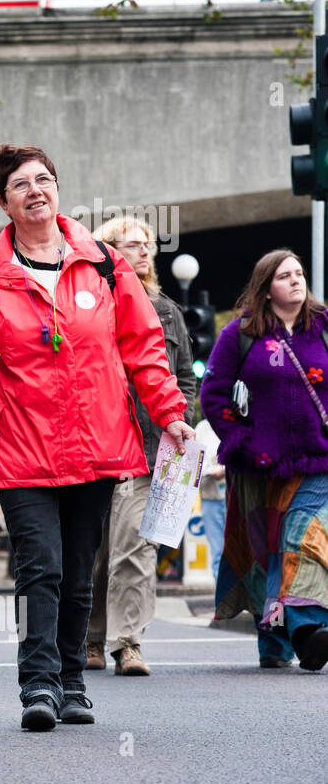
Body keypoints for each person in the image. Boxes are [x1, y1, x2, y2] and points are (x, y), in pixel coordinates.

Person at [0, 144, 191, 732]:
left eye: (44, 179)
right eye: (21, 184)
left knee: (80, 572)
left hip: (99, 445)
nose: (36, 189)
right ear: (2, 202)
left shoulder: (104, 265)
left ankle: (74, 681)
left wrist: (170, 412)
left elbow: (144, 349)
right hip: (24, 451)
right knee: (40, 568)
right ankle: (38, 685)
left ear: (58, 189)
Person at [200, 249, 328, 670]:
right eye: (284, 276)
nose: (296, 281)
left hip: (316, 462)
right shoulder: (241, 334)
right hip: (256, 464)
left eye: (299, 274)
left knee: (300, 538)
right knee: (264, 551)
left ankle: (309, 629)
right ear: (266, 287)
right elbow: (213, 394)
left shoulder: (324, 328)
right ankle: (275, 642)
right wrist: (239, 439)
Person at [86, 215, 197, 677]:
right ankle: (89, 639)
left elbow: (186, 378)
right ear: (109, 251)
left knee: (136, 547)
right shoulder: (88, 303)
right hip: (94, 447)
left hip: (149, 452)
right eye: (133, 245)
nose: (145, 252)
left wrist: (177, 419)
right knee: (91, 553)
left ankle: (126, 643)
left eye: (148, 244)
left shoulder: (167, 310)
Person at [194, 418, 226, 581]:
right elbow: (195, 460)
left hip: (232, 495)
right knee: (217, 551)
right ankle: (222, 599)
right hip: (209, 496)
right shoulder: (202, 428)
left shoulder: (233, 420)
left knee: (237, 549)